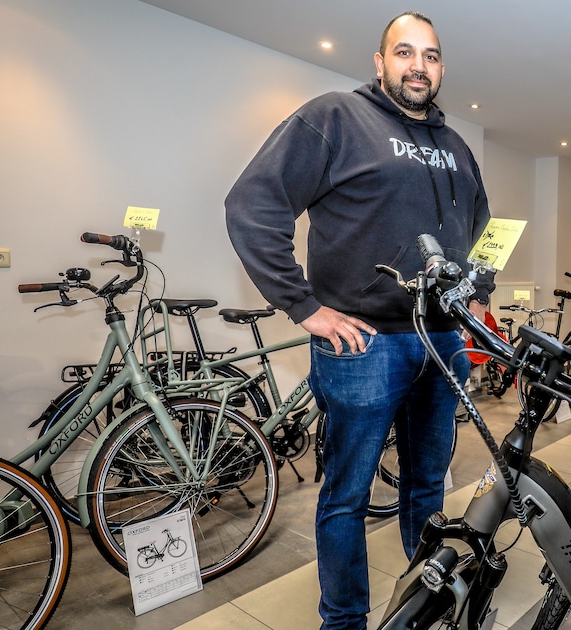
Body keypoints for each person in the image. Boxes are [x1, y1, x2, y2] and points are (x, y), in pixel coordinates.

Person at [224, 11, 492, 629]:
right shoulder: (335, 118)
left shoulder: (455, 147)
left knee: (427, 488)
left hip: (442, 340)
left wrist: (473, 283)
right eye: (404, 53)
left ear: (441, 68)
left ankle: (424, 603)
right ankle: (343, 621)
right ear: (380, 63)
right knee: (346, 497)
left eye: (430, 55)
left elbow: (475, 228)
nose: (417, 66)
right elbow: (251, 204)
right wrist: (306, 306)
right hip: (365, 346)